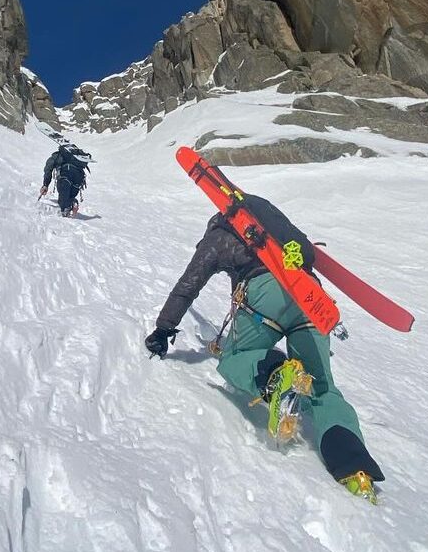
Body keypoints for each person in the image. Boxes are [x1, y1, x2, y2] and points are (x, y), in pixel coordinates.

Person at [144, 195, 385, 503]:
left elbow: (188, 285)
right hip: (311, 298)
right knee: (323, 389)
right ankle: (355, 469)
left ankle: (275, 374)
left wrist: (164, 329)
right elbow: (307, 252)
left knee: (234, 358)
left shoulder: (220, 233)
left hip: (263, 297)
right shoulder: (275, 221)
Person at [40, 145, 89, 217]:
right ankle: (72, 203)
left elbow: (48, 170)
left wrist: (45, 184)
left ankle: (66, 211)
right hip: (79, 177)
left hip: (65, 175)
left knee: (63, 200)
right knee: (70, 196)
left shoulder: (56, 156)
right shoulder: (75, 157)